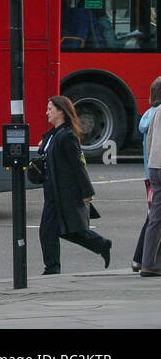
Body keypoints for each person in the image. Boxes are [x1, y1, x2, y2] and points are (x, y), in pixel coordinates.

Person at [35, 95, 111, 274]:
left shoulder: (67, 135)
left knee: (54, 230)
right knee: (59, 230)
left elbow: (78, 166)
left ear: (61, 111)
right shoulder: (54, 134)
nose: (47, 113)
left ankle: (52, 268)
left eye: (50, 109)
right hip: (52, 189)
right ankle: (101, 244)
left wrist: (87, 192)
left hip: (64, 190)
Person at [138, 78, 161, 276]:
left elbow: (150, 139)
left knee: (155, 216)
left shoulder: (153, 113)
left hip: (154, 166)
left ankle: (148, 263)